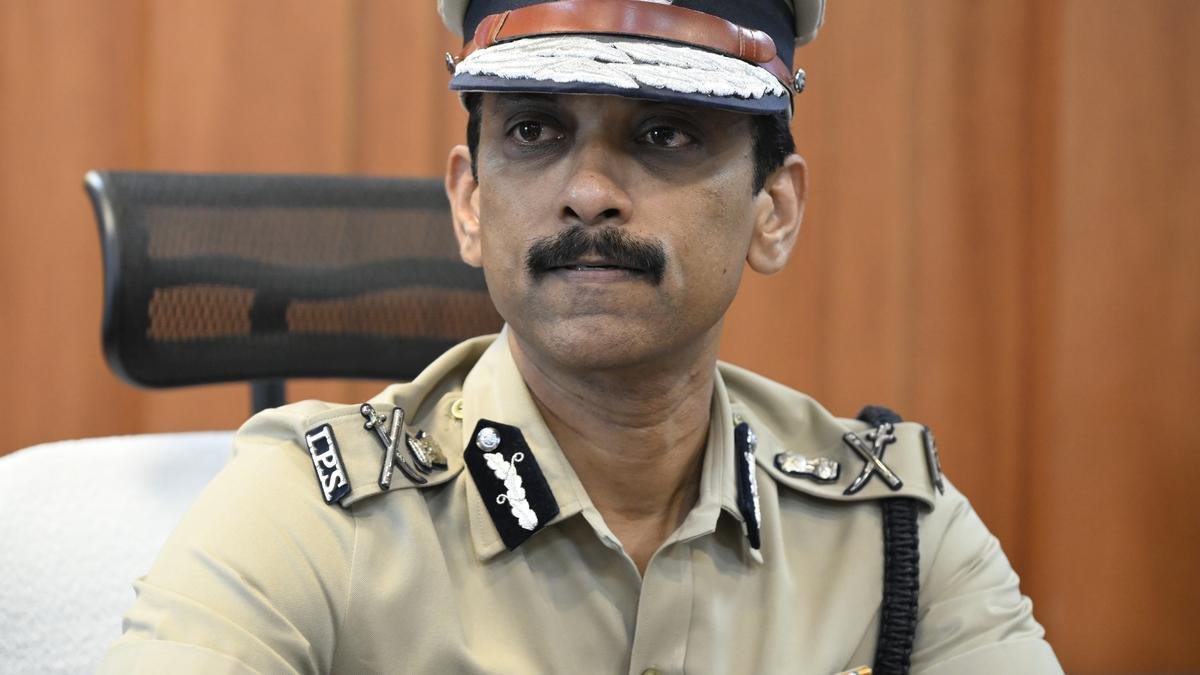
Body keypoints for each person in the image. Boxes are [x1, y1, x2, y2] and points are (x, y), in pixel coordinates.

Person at [102, 1, 1063, 673]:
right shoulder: (309, 515)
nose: (589, 191)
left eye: (665, 134)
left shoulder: (895, 531)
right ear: (469, 203)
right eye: (534, 131)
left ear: (773, 210)